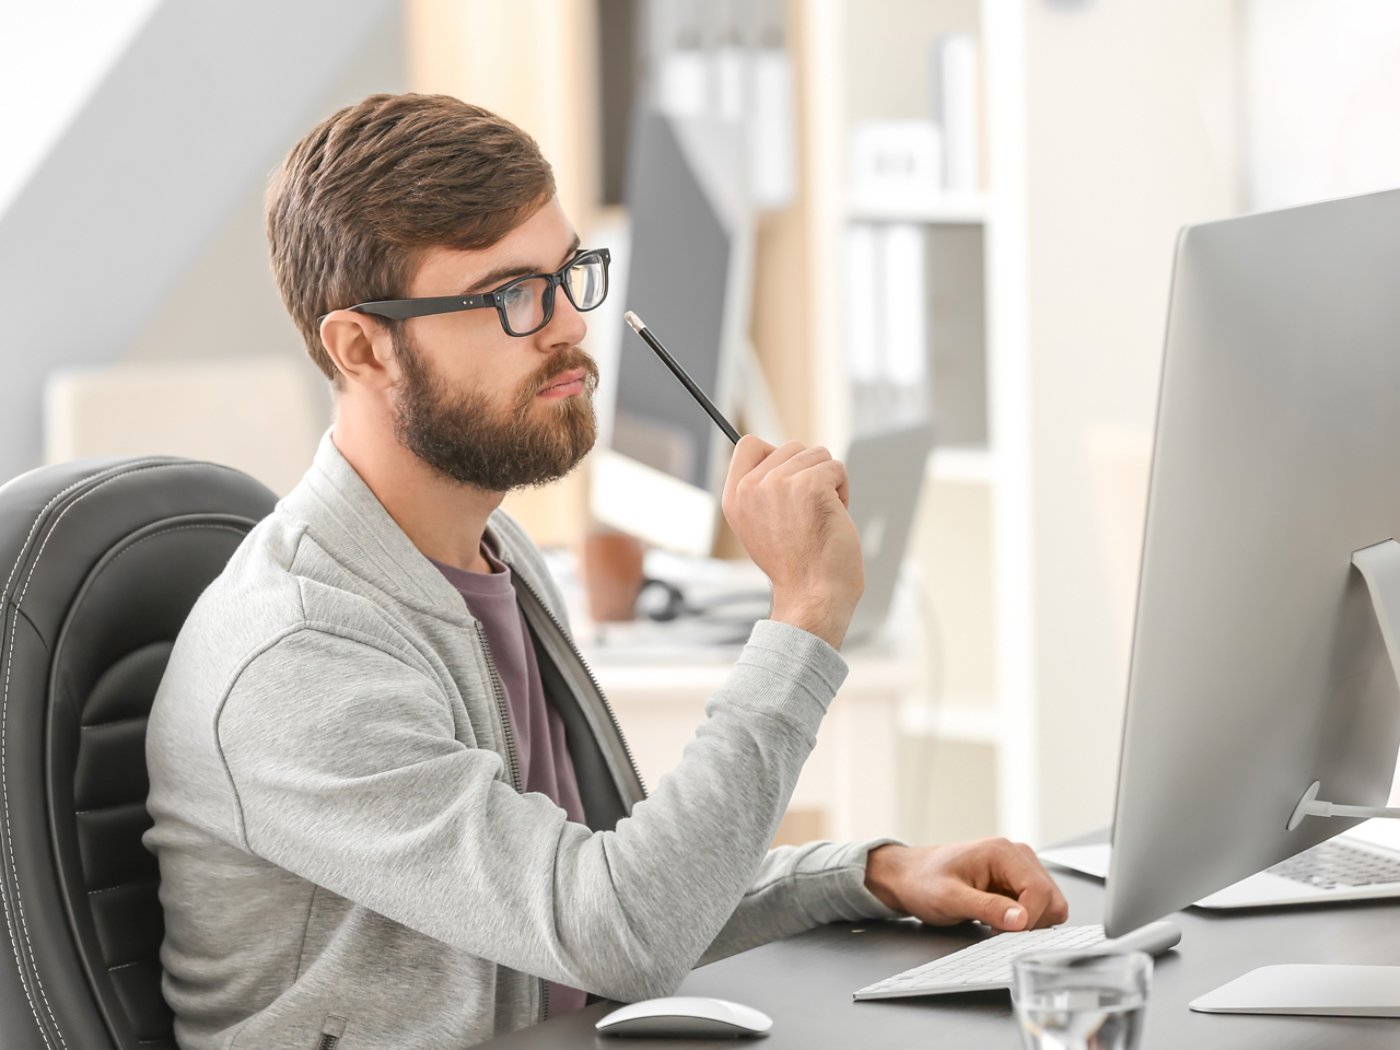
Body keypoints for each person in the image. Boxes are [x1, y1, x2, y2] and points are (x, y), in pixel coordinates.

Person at [143, 92, 1067, 1050]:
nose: (565, 328)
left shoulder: (496, 557)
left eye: (567, 274)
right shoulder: (299, 656)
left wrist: (863, 876)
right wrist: (805, 610)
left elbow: (607, 887)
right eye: (511, 296)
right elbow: (621, 933)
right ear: (362, 345)